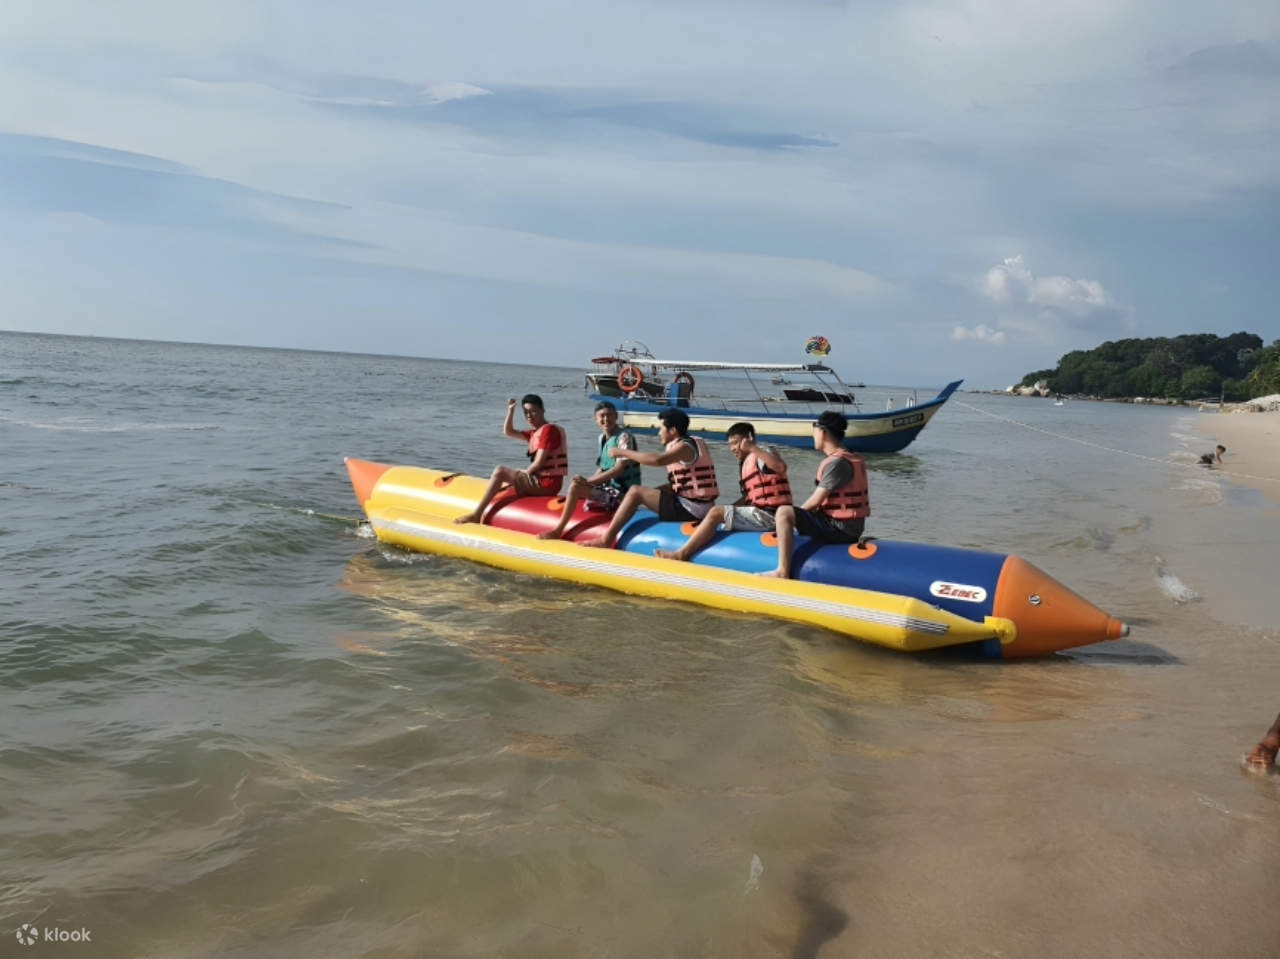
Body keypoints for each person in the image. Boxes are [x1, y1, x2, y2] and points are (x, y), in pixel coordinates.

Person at [581, 407, 720, 548]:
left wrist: (623, 452)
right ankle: (628, 508)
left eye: (661, 429)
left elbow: (657, 460)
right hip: (704, 507)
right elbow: (687, 482)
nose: (658, 433)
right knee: (652, 491)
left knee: (635, 491)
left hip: (692, 510)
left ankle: (606, 539)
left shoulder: (684, 447)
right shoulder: (696, 442)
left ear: (673, 430)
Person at [654, 421, 791, 562]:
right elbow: (748, 498)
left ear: (749, 437)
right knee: (719, 513)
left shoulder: (763, 453)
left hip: (770, 517)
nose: (732, 448)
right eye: (730, 444)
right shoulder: (748, 462)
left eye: (736, 443)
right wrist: (725, 512)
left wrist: (752, 447)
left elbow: (780, 467)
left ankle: (682, 554)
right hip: (763, 515)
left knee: (716, 512)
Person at [765, 410, 869, 579]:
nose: (813, 436)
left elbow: (815, 501)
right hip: (848, 527)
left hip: (839, 529)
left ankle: (782, 571)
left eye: (814, 431)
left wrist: (787, 519)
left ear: (823, 433)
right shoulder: (852, 457)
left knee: (784, 511)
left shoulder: (837, 463)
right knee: (791, 513)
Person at [454, 394, 567, 524]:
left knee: (500, 471)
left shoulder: (549, 430)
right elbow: (508, 431)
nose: (529, 415)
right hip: (543, 482)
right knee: (508, 478)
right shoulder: (535, 433)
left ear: (542, 410)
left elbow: (538, 463)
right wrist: (511, 410)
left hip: (547, 485)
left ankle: (477, 514)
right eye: (526, 412)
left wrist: (524, 472)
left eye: (533, 411)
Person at [537, 401, 640, 540]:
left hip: (623, 496)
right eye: (602, 416)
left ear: (616, 416)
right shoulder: (602, 438)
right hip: (609, 491)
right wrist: (585, 482)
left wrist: (587, 482)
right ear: (595, 419)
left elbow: (618, 470)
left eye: (610, 415)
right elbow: (602, 468)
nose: (606, 419)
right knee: (577, 483)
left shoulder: (624, 437)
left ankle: (558, 530)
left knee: (576, 486)